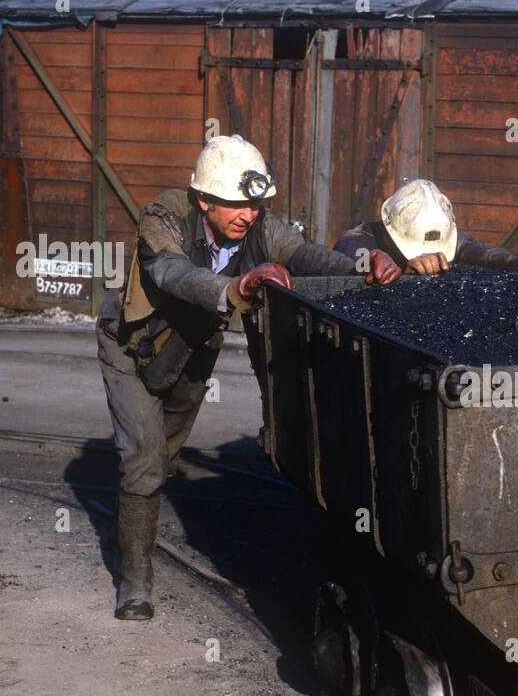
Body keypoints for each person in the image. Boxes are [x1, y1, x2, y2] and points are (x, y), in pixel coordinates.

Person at [96, 134, 400, 621]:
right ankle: (134, 583)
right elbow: (173, 272)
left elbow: (304, 255)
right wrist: (235, 286)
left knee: (164, 462)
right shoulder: (165, 215)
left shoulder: (259, 227)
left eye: (255, 206)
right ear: (204, 200)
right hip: (129, 348)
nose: (249, 215)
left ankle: (139, 504)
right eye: (237, 205)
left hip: (193, 352)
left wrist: (363, 267)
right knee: (145, 462)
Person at [334, 178, 518, 280]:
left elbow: (492, 257)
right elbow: (351, 258)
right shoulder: (359, 239)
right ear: (389, 236)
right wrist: (390, 267)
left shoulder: (449, 242)